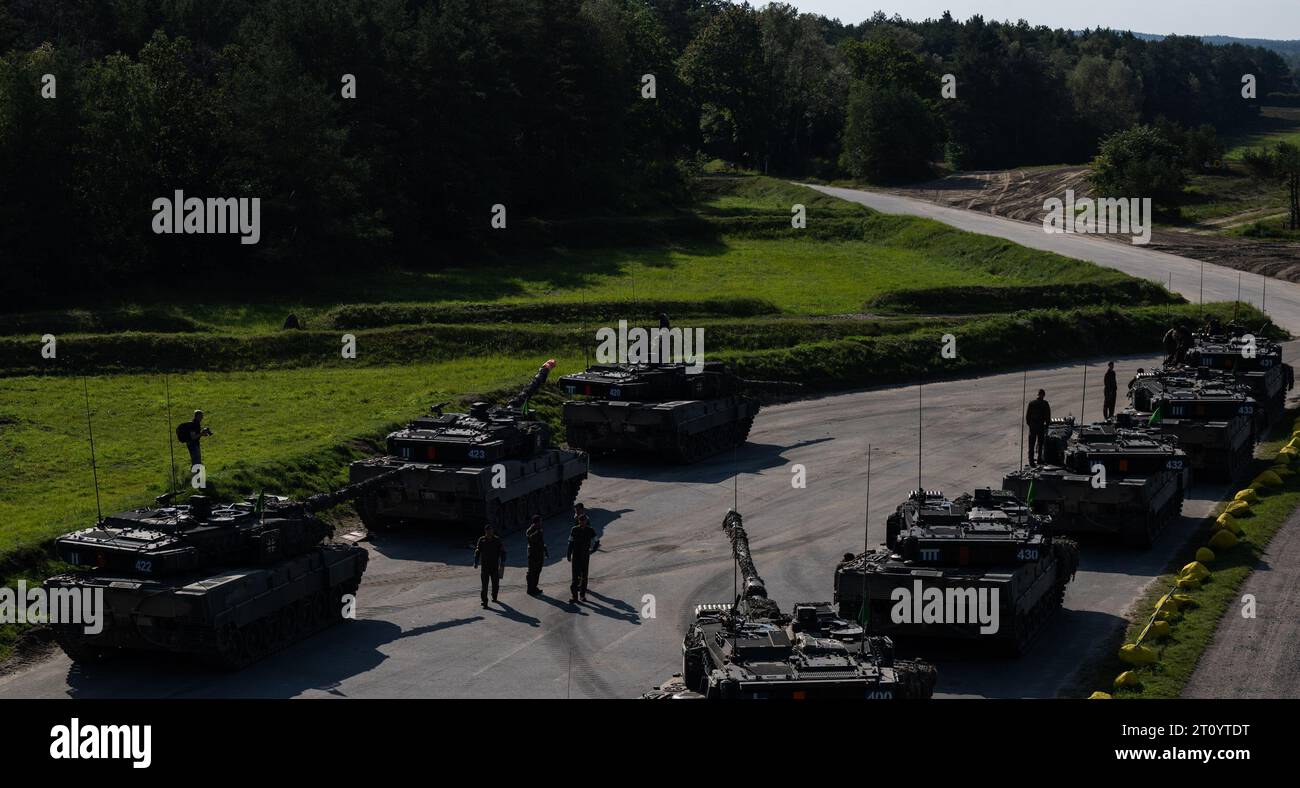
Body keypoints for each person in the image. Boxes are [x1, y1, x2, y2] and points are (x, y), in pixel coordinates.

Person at [473, 524, 506, 608]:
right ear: (485, 532)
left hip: (494, 566)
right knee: (484, 586)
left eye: (491, 532)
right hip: (485, 566)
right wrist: (476, 562)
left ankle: (494, 597)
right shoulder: (482, 540)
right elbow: (477, 551)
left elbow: (503, 551)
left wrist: (503, 562)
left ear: (492, 532)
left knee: (495, 584)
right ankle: (485, 602)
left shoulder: (497, 540)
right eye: (488, 532)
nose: (489, 534)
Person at [567, 513, 597, 603]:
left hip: (585, 556)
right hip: (576, 556)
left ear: (586, 521)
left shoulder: (590, 530)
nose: (582, 522)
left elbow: (597, 540)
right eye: (581, 521)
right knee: (575, 578)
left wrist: (593, 550)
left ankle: (582, 596)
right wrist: (568, 554)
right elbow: (570, 542)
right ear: (579, 521)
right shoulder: (574, 530)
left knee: (584, 577)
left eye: (584, 521)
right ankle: (574, 596)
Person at [1025, 389, 1051, 466]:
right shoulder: (1045, 404)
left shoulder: (1032, 403)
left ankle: (1031, 461)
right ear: (1043, 395)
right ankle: (1039, 459)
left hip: (1033, 426)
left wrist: (1030, 424)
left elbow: (1027, 416)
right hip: (1040, 426)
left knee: (1032, 444)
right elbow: (1048, 416)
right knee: (1040, 443)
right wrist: (1047, 425)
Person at [525, 515, 548, 596]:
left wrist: (545, 550)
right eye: (540, 521)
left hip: (539, 553)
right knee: (531, 572)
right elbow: (531, 539)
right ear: (536, 523)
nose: (541, 523)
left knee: (538, 571)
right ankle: (530, 589)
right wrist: (538, 532)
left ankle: (534, 587)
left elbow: (541, 541)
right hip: (533, 554)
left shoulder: (539, 529)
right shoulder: (529, 530)